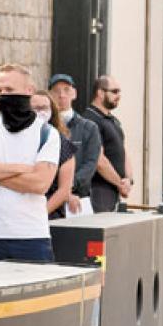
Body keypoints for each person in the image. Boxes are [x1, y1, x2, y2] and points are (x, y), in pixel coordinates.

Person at [0, 64, 60, 265]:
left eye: (10, 90)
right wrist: (21, 168)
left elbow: (39, 184)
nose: (4, 95)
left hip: (31, 236)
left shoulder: (47, 134)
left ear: (28, 91)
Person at [48, 73, 102, 212]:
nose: (61, 95)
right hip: (49, 198)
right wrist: (59, 191)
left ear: (74, 93)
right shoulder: (44, 128)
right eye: (56, 90)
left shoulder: (89, 128)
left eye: (66, 89)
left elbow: (90, 164)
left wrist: (67, 188)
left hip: (78, 200)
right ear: (49, 95)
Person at [86, 75, 131, 212]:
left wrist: (128, 179)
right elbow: (99, 161)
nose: (119, 95)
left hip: (115, 190)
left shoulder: (113, 120)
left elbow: (123, 151)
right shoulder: (90, 120)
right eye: (115, 91)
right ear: (100, 93)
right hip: (99, 191)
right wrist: (120, 183)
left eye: (119, 92)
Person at [32, 91, 77, 220]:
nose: (40, 112)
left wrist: (39, 215)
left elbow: (64, 190)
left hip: (49, 216)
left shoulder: (62, 143)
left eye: (45, 108)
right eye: (35, 108)